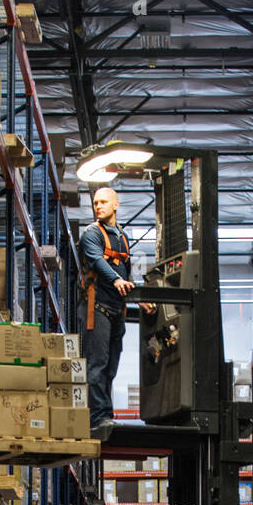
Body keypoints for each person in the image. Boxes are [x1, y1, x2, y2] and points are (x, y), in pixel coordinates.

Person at [79, 185, 154, 440]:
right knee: (97, 365)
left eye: (103, 202)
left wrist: (138, 300)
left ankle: (106, 414)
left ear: (115, 205)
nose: (98, 206)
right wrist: (115, 281)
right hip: (96, 308)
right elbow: (98, 262)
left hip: (116, 310)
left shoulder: (122, 236)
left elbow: (127, 275)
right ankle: (98, 417)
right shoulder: (90, 234)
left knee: (111, 366)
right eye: (95, 203)